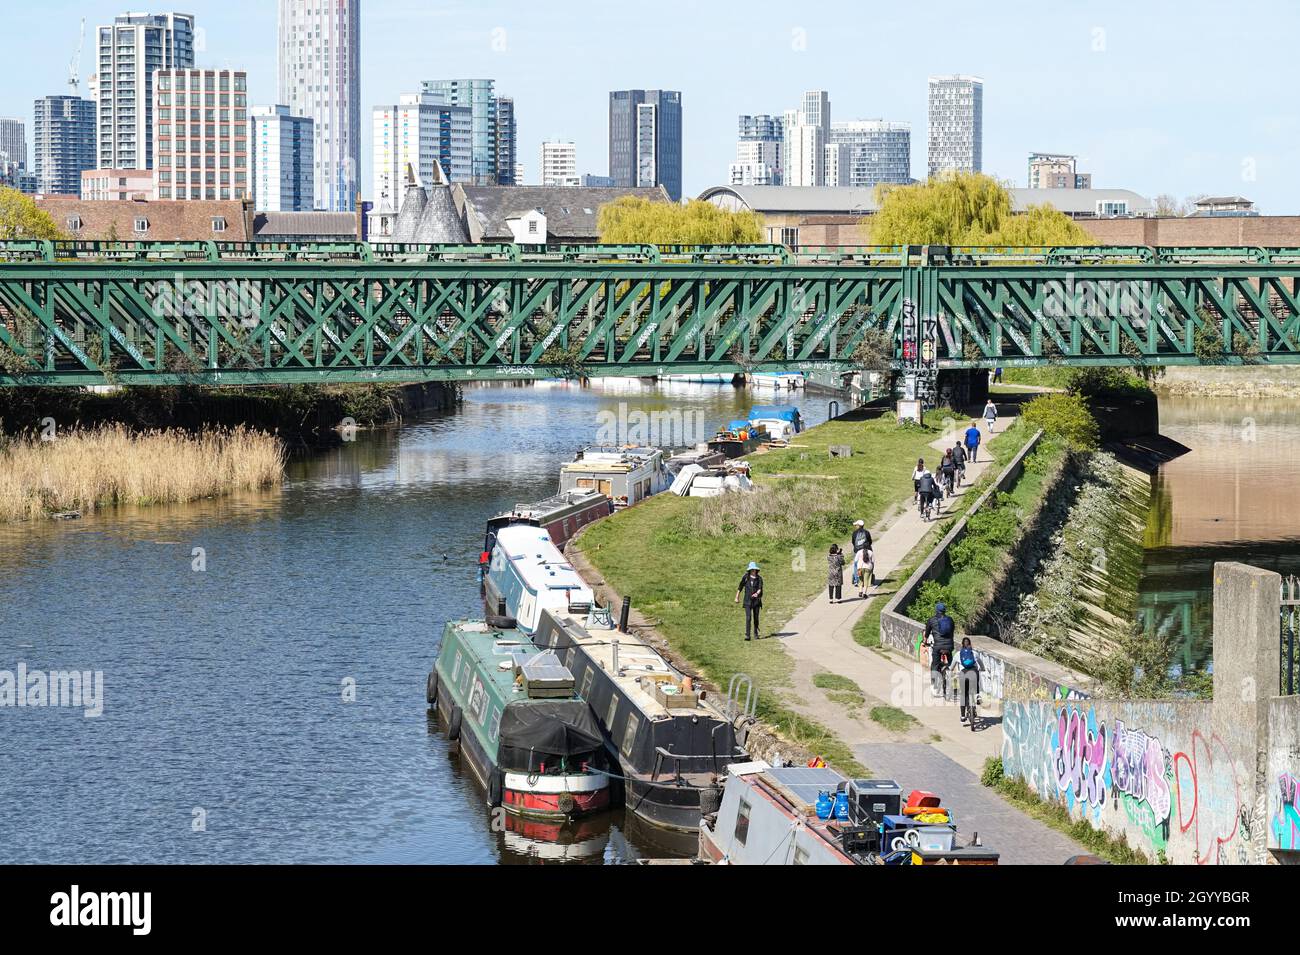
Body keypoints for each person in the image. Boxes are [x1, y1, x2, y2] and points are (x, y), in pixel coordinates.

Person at [923, 601, 957, 698]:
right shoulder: (950, 620)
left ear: (936, 610)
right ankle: (951, 674)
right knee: (951, 664)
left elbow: (926, 635)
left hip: (938, 646)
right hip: (949, 645)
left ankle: (934, 687)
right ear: (944, 611)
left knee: (935, 664)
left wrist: (925, 642)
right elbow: (952, 632)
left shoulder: (931, 620)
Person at [734, 562, 764, 641]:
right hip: (747, 601)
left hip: (756, 601)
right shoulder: (745, 577)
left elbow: (760, 588)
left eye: (754, 569)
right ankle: (747, 635)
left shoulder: (759, 578)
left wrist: (757, 593)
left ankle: (755, 633)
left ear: (756, 570)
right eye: (752, 569)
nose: (753, 571)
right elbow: (740, 587)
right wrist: (737, 597)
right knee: (748, 618)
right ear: (749, 570)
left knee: (756, 618)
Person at [957, 637, 982, 724]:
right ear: (970, 644)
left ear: (962, 644)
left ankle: (963, 716)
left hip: (963, 674)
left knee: (963, 695)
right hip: (973, 673)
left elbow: (951, 666)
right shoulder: (974, 653)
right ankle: (978, 695)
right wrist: (982, 669)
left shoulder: (958, 653)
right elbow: (981, 665)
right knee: (976, 677)